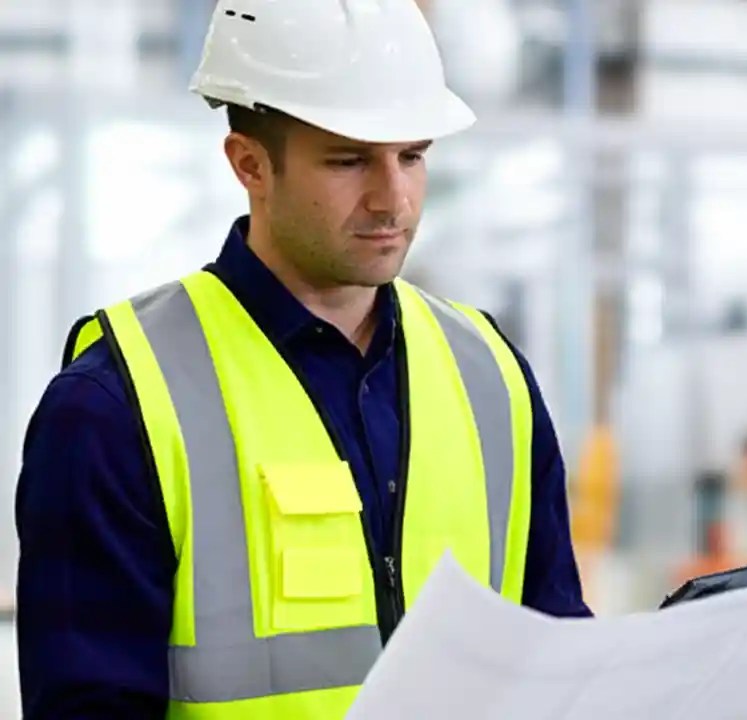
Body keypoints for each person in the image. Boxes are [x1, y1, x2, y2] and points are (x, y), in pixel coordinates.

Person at [14, 1, 590, 717]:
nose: (394, 198)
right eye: (349, 160)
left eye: (413, 155)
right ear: (250, 164)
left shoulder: (491, 376)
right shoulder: (115, 406)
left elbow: (560, 654)